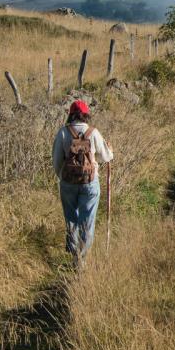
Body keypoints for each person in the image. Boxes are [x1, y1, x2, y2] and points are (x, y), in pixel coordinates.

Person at [52, 99, 114, 266]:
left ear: (71, 114)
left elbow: (57, 161)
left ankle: (73, 253)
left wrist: (63, 177)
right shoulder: (93, 133)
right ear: (86, 115)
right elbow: (106, 156)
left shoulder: (63, 133)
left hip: (68, 183)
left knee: (71, 218)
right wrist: (109, 150)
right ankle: (82, 260)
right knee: (87, 220)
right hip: (90, 183)